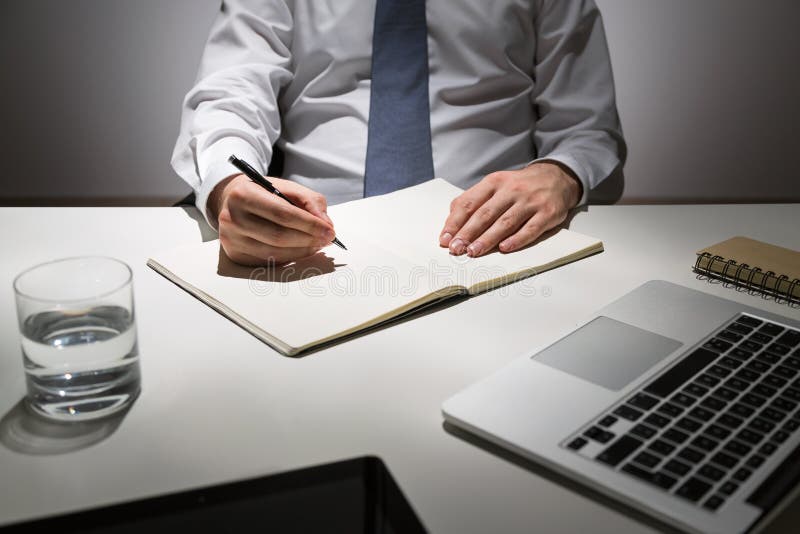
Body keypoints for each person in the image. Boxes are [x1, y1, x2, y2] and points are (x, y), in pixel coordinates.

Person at [172, 0, 625, 266]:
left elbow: (586, 125)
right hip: (314, 246)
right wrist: (229, 185)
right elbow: (232, 94)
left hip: (497, 246)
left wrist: (560, 175)